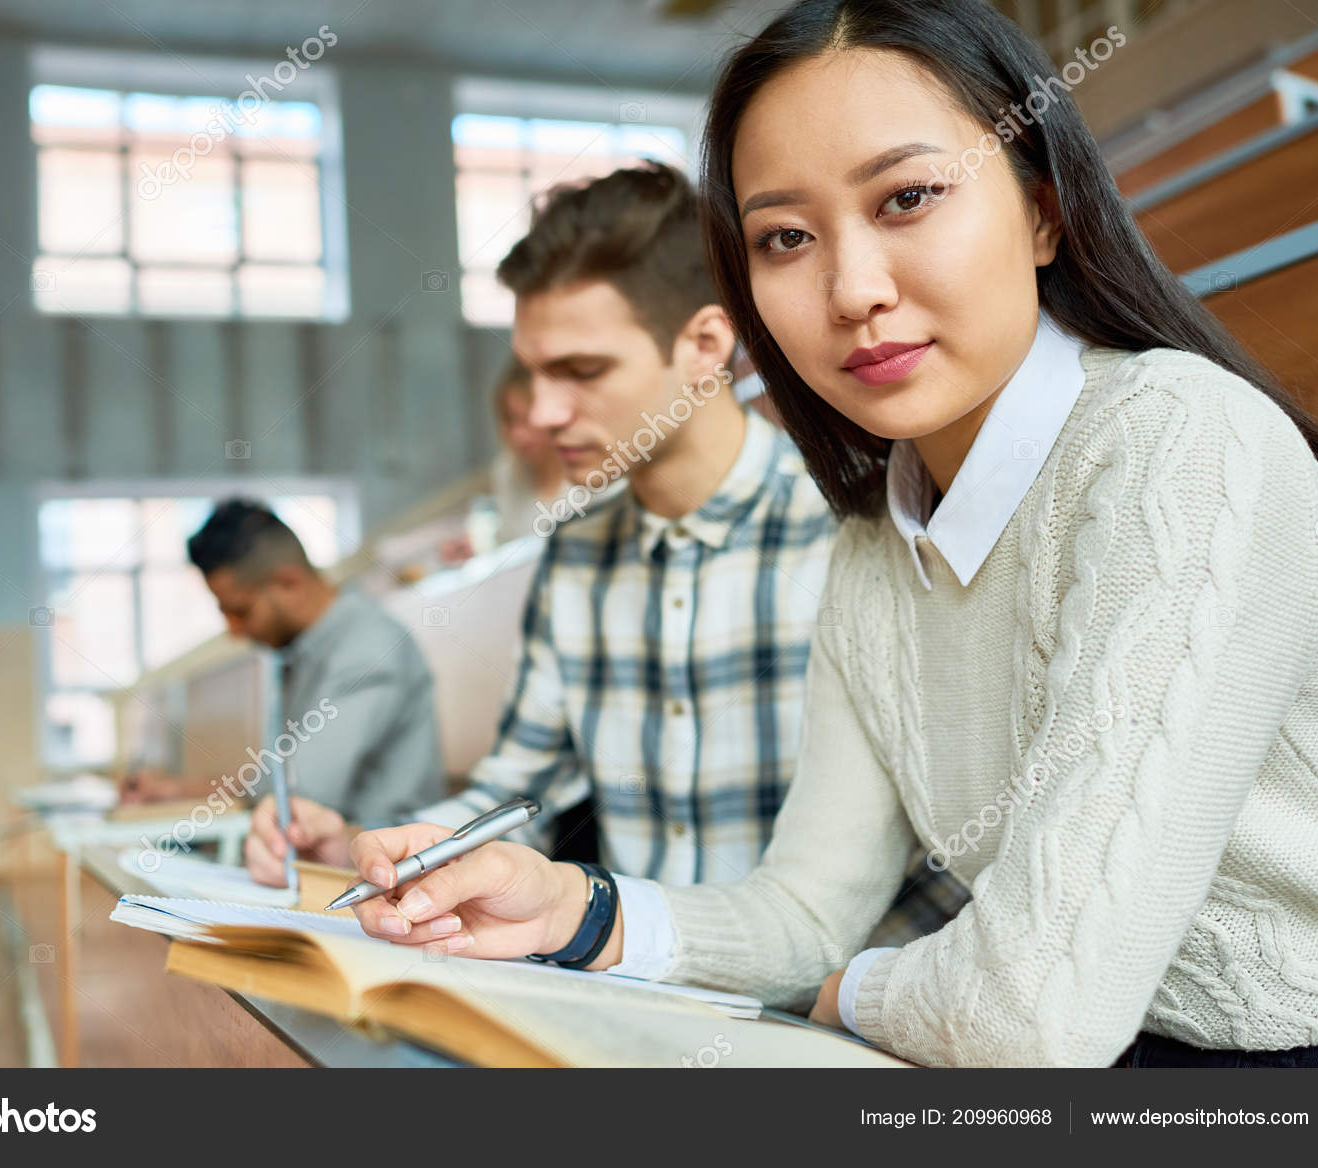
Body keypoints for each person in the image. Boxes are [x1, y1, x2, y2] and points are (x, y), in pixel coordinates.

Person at [335, 0, 1318, 1069]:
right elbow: (805, 912)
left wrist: (847, 991)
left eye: (907, 197)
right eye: (785, 237)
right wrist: (568, 909)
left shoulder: (1180, 440)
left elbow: (1033, 1014)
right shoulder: (877, 539)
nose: (852, 292)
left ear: (1042, 211)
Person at [249, 162, 971, 951]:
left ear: (704, 344)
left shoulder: (863, 528)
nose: (544, 411)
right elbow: (517, 795)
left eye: (582, 371)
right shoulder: (578, 556)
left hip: (840, 1027)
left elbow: (951, 850)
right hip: (637, 993)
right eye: (533, 372)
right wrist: (391, 851)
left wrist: (857, 1004)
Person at [123, 499, 445, 828]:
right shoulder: (303, 651)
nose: (234, 632)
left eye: (242, 611)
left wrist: (184, 790)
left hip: (384, 865)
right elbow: (279, 783)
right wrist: (175, 790)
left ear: (289, 582)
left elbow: (300, 794)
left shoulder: (371, 648)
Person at [489, 356, 568, 544]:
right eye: (509, 421)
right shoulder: (507, 471)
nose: (518, 435)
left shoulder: (588, 474)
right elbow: (506, 545)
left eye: (526, 420)